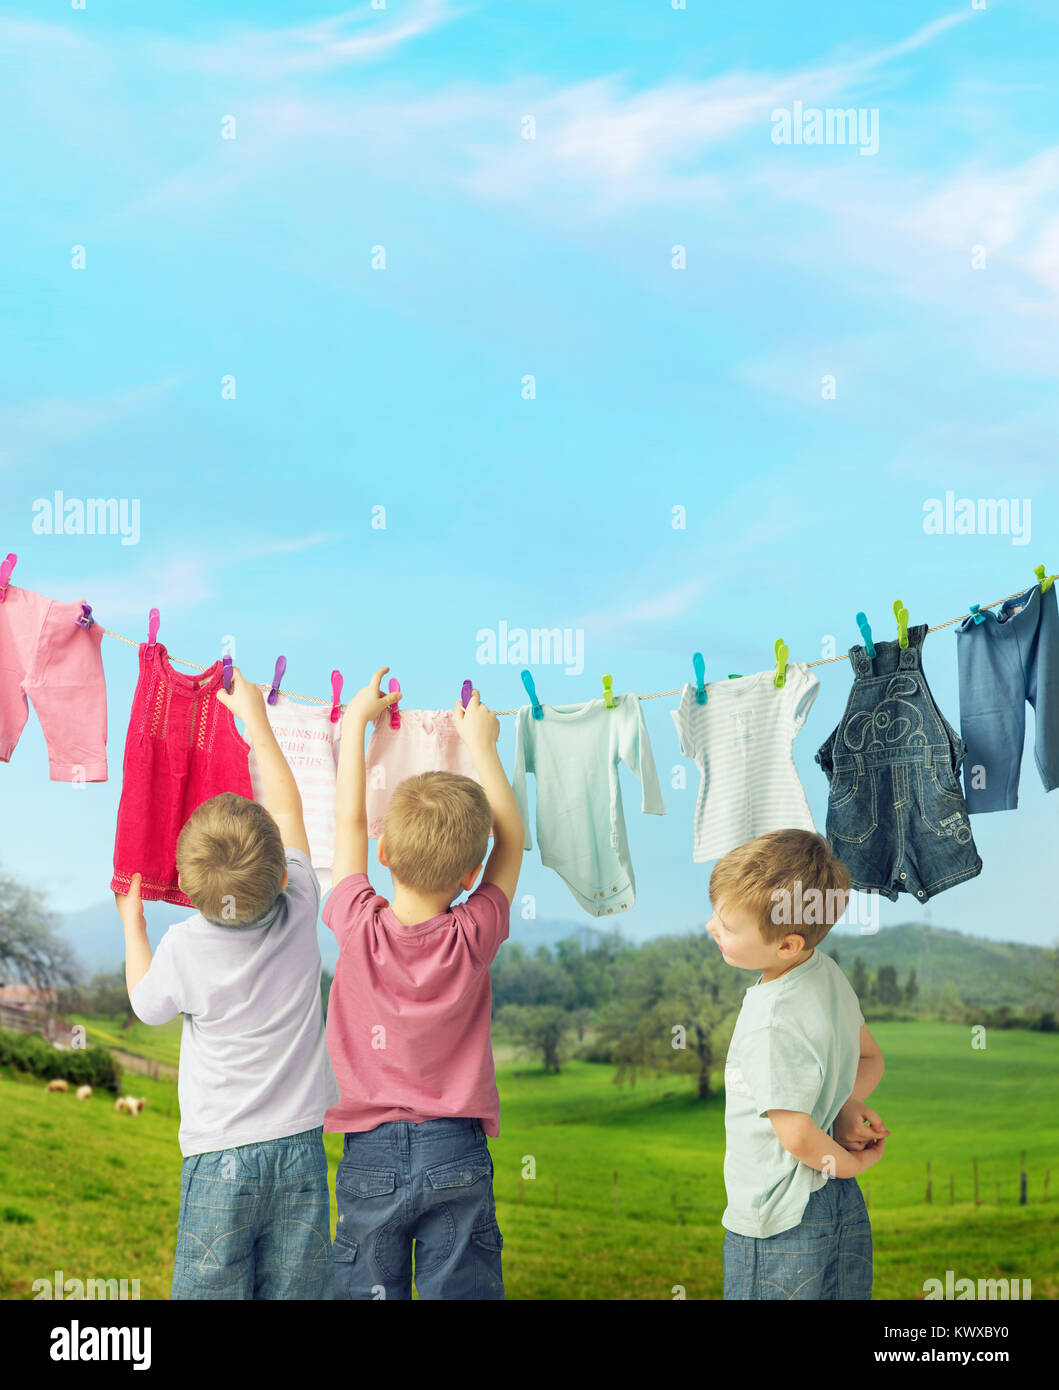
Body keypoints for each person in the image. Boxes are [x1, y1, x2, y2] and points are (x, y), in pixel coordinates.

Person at [115, 667, 339, 1299]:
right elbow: (290, 808)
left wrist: (134, 926)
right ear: (277, 867)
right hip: (299, 1148)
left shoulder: (185, 946)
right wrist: (258, 726)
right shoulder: (299, 902)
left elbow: (144, 1003)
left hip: (220, 1162)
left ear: (189, 889)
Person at [324, 668, 523, 1299]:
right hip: (455, 1148)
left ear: (384, 854)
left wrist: (355, 723)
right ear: (469, 875)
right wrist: (484, 747)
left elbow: (350, 823)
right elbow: (513, 842)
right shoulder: (474, 933)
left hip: (369, 1154)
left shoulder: (356, 921)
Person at [710, 829, 889, 1300]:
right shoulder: (826, 973)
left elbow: (794, 1136)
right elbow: (869, 1056)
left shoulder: (768, 1019)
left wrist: (849, 1165)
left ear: (787, 944)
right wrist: (849, 1103)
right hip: (841, 1207)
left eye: (727, 925)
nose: (712, 928)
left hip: (778, 1216)